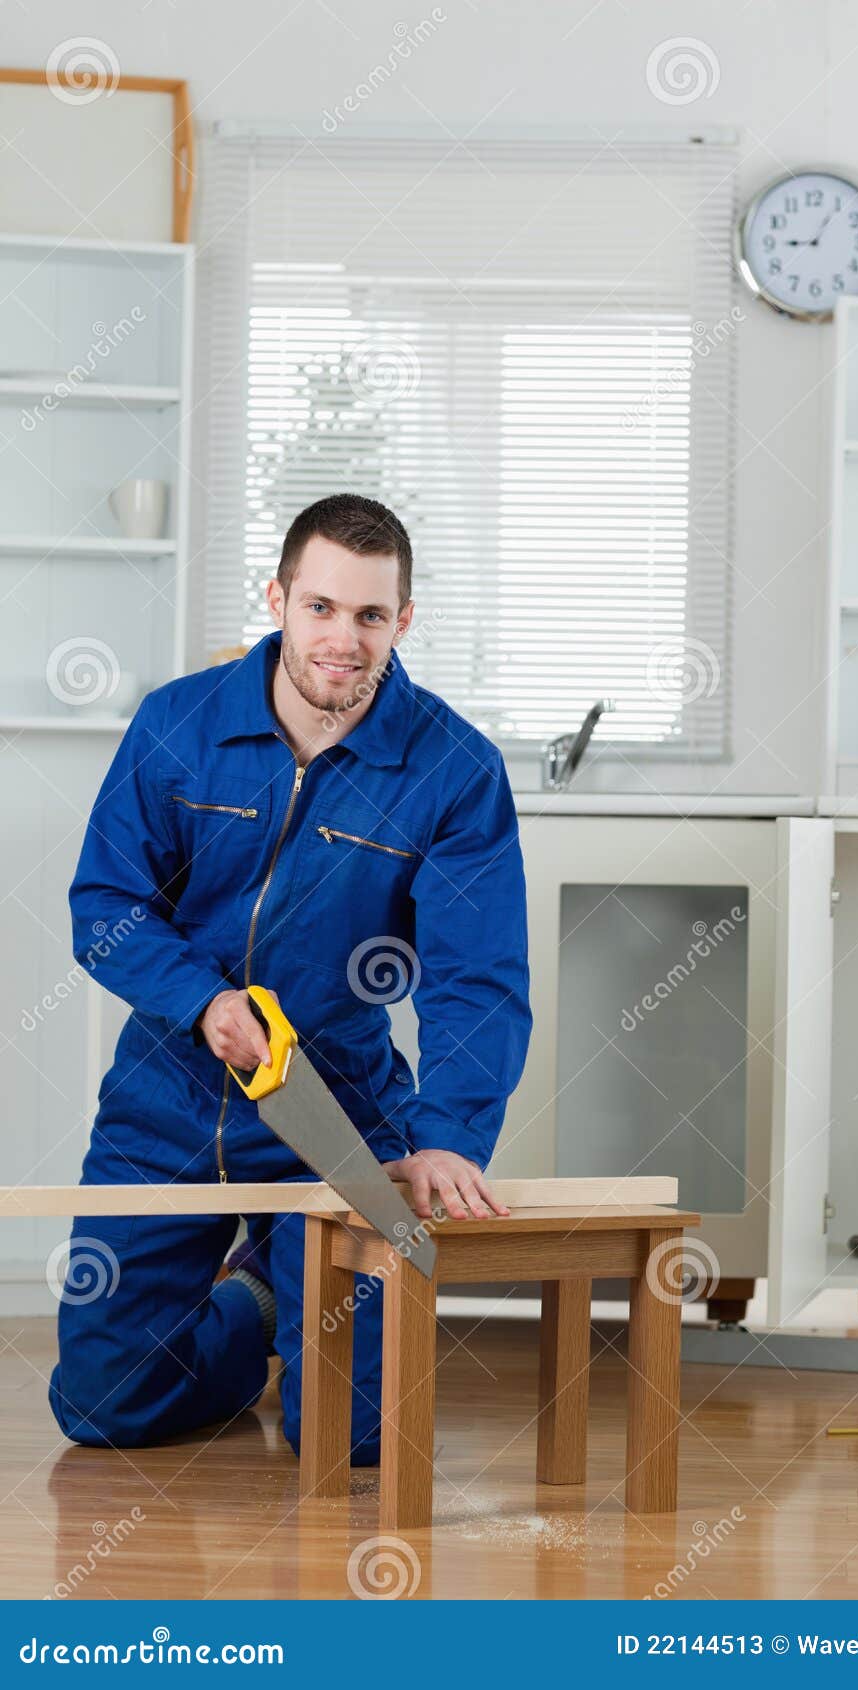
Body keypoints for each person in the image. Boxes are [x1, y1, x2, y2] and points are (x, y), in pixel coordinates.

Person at [48, 493, 532, 1465]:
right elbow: (107, 907)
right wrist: (205, 1001)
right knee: (105, 1408)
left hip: (335, 1116)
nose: (341, 639)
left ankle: (289, 1282)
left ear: (403, 619)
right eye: (319, 607)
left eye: (368, 615)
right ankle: (258, 1298)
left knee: (357, 1441)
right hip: (165, 1106)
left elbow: (477, 976)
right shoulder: (177, 725)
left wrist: (446, 1136)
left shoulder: (452, 770)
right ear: (277, 598)